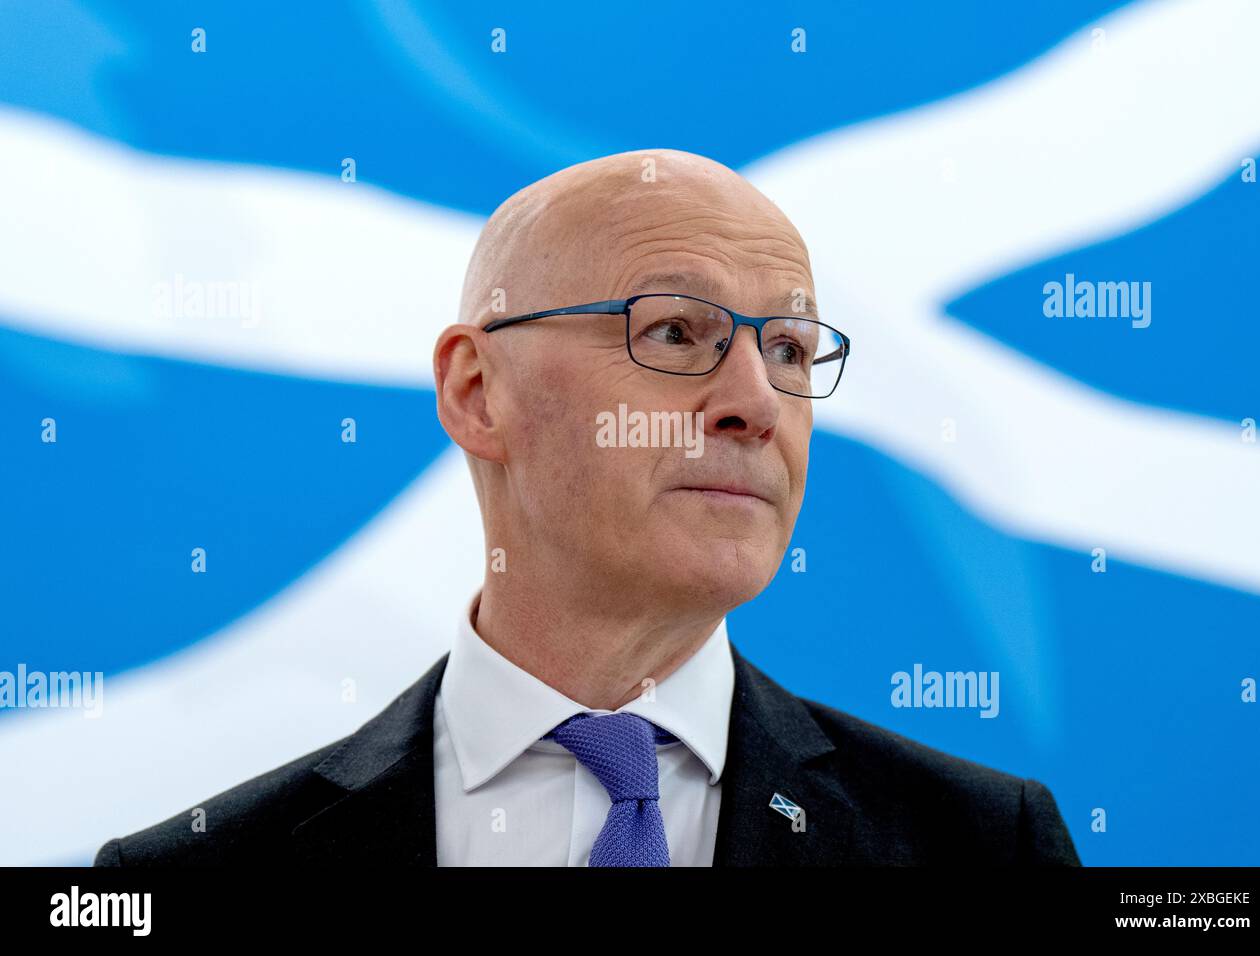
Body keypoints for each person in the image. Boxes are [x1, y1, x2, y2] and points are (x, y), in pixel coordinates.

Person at [94, 148, 1079, 866]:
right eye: (675, 330)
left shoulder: (984, 844)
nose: (754, 403)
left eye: (787, 346)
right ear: (479, 391)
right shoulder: (193, 871)